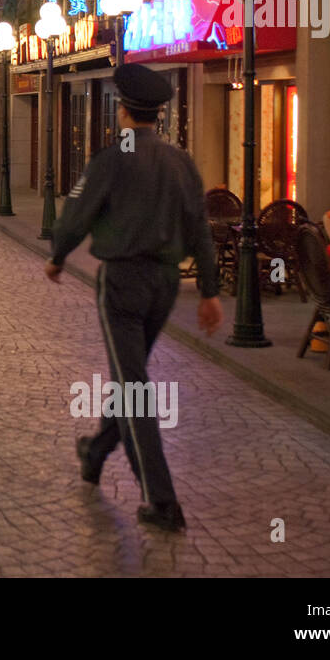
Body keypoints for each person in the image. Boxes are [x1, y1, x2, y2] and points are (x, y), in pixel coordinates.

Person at [46, 64, 223, 534]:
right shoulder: (181, 161)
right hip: (166, 283)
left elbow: (77, 212)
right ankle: (97, 450)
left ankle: (161, 500)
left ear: (123, 111)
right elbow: (200, 228)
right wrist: (209, 290)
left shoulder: (113, 158)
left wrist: (59, 255)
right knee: (133, 375)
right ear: (157, 114)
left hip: (123, 282)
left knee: (134, 387)